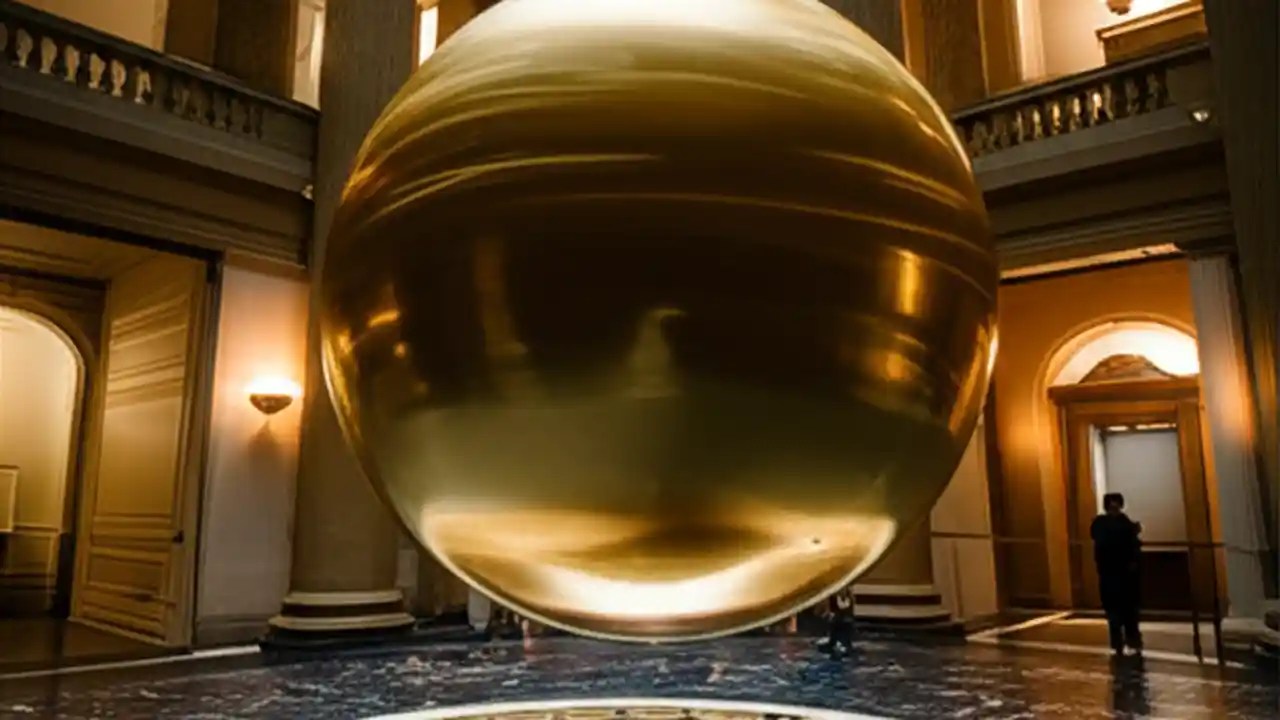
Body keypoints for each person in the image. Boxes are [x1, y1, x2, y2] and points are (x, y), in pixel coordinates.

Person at [1091, 492, 1143, 656]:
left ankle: (1121, 642)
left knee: (1118, 611)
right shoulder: (1125, 524)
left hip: (1113, 574)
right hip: (1120, 574)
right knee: (1124, 611)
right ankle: (1129, 641)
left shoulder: (1101, 524)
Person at [826, 588, 855, 656]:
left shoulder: (850, 598)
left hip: (846, 621)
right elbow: (832, 610)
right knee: (835, 632)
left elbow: (850, 611)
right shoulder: (833, 598)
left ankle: (846, 647)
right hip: (837, 620)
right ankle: (833, 646)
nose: (842, 591)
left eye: (844, 590)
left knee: (846, 631)